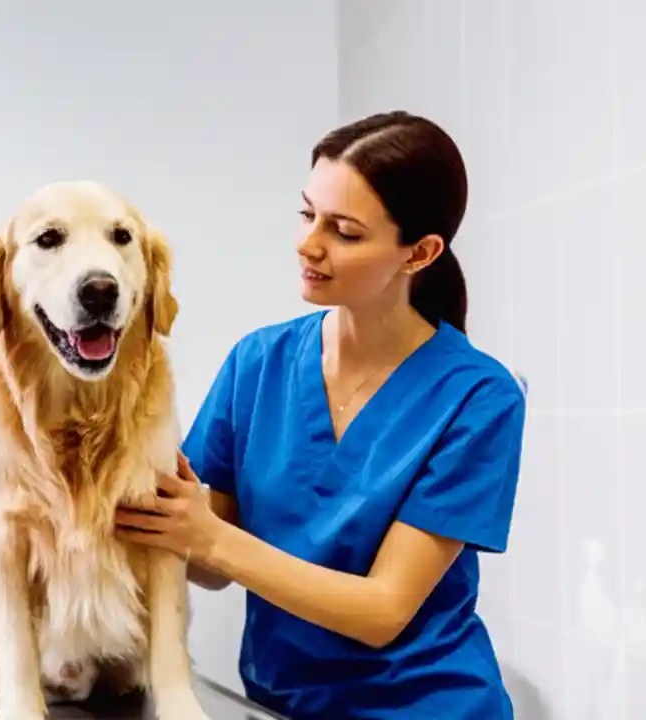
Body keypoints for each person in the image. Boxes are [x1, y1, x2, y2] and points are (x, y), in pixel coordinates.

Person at [115, 110, 526, 719]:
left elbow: (382, 612)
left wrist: (209, 536)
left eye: (345, 231)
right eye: (308, 214)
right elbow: (205, 565)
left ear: (420, 253)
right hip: (282, 705)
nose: (309, 244)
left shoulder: (477, 396)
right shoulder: (259, 362)